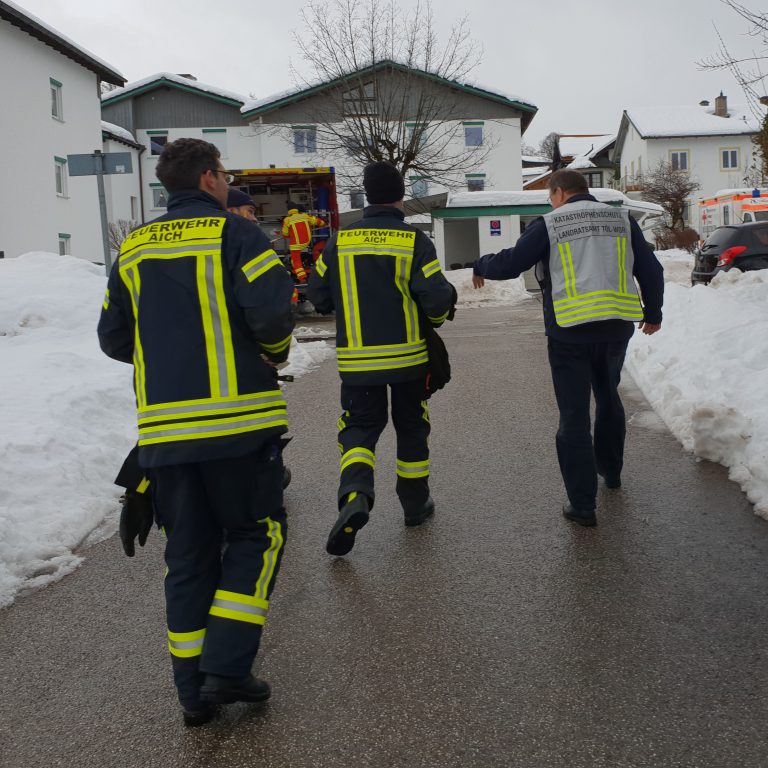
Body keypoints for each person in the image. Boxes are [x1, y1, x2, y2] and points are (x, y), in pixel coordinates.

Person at [98, 138, 295, 727]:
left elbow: (113, 338)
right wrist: (272, 355)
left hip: (166, 434)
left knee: (186, 556)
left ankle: (192, 695)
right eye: (224, 173)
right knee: (258, 535)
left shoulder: (132, 248)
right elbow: (272, 315)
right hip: (238, 426)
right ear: (210, 178)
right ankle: (228, 665)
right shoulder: (237, 235)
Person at [472, 169, 664, 527]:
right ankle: (612, 471)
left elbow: (514, 263)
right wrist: (653, 312)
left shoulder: (551, 223)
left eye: (550, 195)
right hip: (615, 327)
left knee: (573, 414)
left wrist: (481, 264)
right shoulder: (622, 219)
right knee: (608, 395)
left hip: (570, 331)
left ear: (559, 192)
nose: (551, 201)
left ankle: (583, 505)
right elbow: (651, 270)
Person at [307, 161, 457, 556]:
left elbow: (318, 292)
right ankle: (414, 504)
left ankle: (355, 494)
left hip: (358, 363)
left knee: (359, 430)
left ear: (366, 194)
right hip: (409, 360)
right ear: (400, 194)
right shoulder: (414, 240)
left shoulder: (340, 240)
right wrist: (435, 320)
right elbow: (437, 298)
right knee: (411, 426)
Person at [281, 205, 326, 283]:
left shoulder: (287, 220)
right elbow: (316, 221)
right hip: (306, 241)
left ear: (289, 211)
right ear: (296, 210)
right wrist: (323, 223)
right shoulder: (305, 216)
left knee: (296, 261)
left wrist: (290, 233)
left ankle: (302, 277)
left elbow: (285, 234)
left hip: (296, 245)